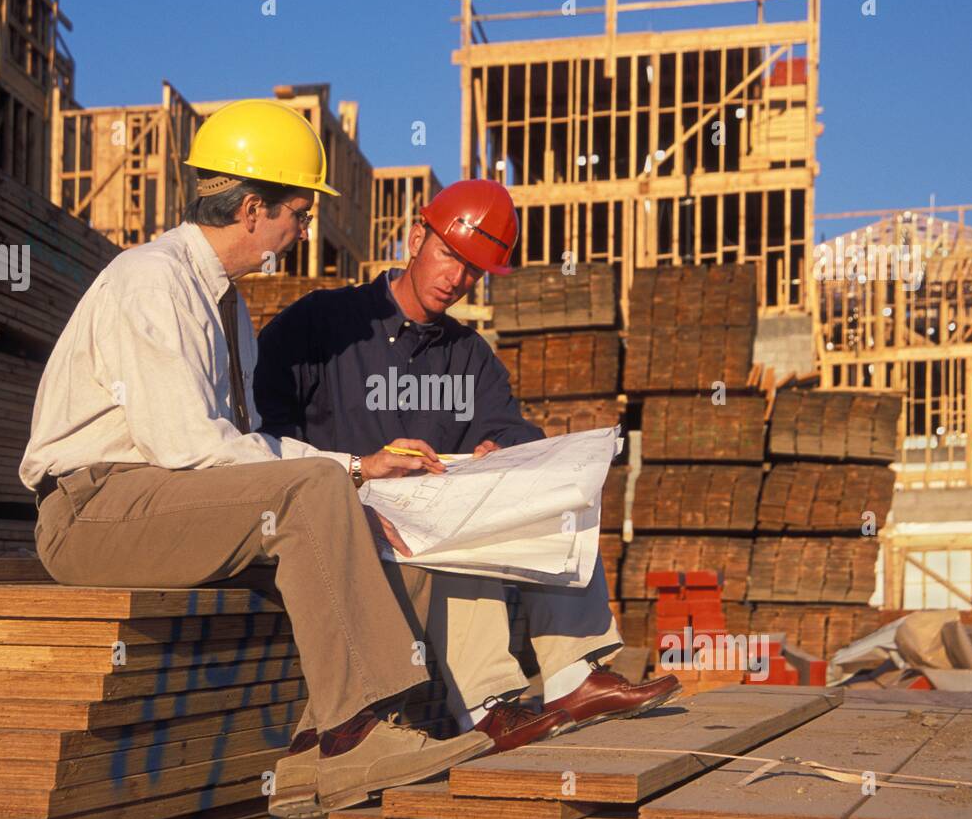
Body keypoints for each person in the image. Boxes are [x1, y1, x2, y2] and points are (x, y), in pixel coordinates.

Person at [18, 100, 492, 819]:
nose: (301, 233)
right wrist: (341, 476)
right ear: (250, 209)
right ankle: (351, 734)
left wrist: (360, 468)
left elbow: (239, 449)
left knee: (398, 550)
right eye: (297, 216)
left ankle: (315, 757)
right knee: (316, 492)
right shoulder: (152, 281)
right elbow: (193, 449)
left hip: (166, 502)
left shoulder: (225, 307)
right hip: (94, 511)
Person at [254, 179, 680, 788]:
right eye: (451, 256)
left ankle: (573, 675)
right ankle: (488, 706)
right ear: (416, 236)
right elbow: (265, 429)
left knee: (556, 485)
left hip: (438, 511)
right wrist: (349, 473)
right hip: (344, 512)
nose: (457, 280)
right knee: (447, 538)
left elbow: (512, 426)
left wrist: (502, 449)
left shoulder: (469, 354)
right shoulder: (322, 323)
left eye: (474, 271)